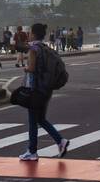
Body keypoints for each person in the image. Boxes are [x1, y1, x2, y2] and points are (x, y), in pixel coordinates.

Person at [20, 23, 68, 162]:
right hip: (46, 88)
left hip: (35, 89)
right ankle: (60, 141)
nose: (28, 34)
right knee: (40, 119)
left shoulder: (33, 48)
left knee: (33, 122)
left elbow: (32, 68)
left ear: (33, 34)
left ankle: (32, 151)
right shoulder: (45, 47)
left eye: (29, 32)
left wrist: (25, 68)